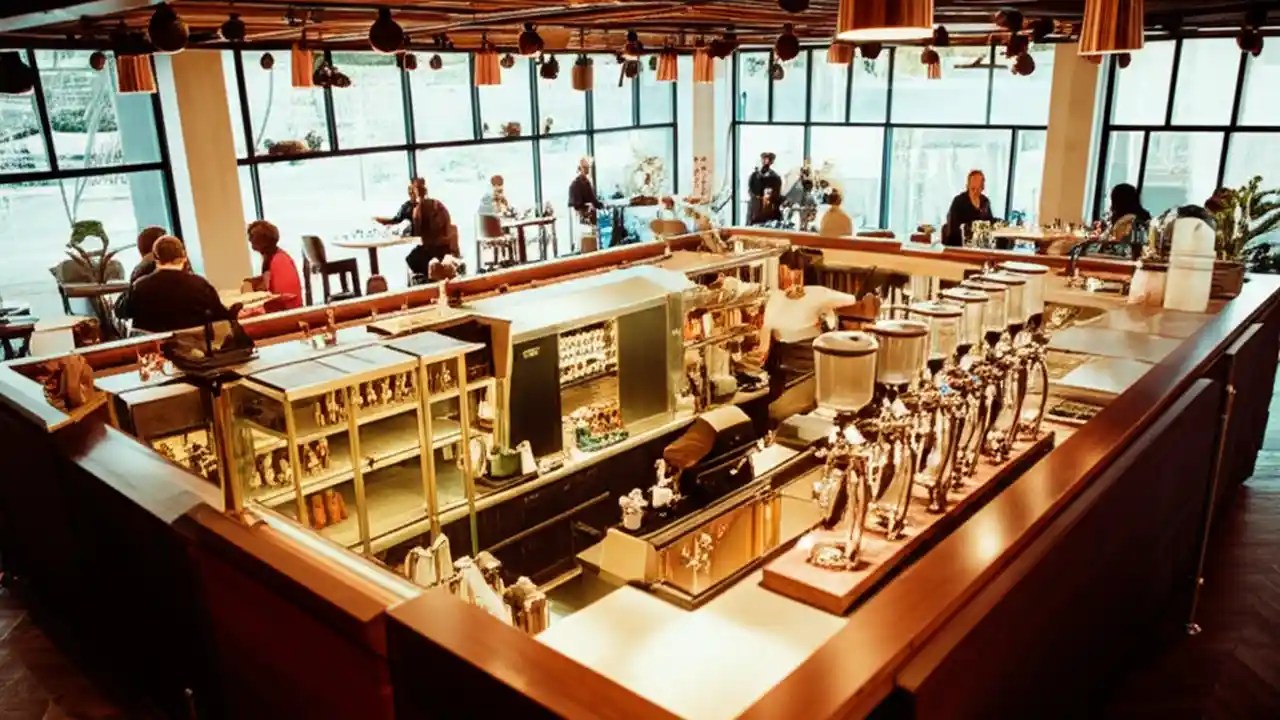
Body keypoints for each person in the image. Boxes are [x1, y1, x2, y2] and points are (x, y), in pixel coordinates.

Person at [125, 236, 230, 332]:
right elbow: (221, 315)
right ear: (184, 256)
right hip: (195, 347)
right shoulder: (199, 284)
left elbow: (121, 312)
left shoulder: (140, 287)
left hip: (154, 349)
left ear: (156, 259)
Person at [247, 220, 303, 311]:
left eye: (252, 237)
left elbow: (282, 297)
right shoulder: (271, 256)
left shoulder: (279, 260)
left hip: (287, 313)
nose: (250, 240)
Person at [405, 181, 457, 276]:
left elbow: (417, 233)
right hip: (446, 248)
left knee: (410, 259)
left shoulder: (417, 210)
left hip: (431, 250)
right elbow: (449, 225)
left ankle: (429, 279)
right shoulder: (438, 205)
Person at [943, 169, 995, 247]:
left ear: (982, 187)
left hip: (982, 245)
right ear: (968, 185)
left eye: (979, 188)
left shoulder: (985, 202)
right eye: (973, 188)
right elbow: (953, 228)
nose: (975, 192)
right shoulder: (959, 201)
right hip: (959, 245)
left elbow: (990, 223)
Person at [747, 152, 783, 225]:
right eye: (764, 158)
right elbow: (752, 192)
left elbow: (776, 195)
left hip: (770, 215)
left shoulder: (775, 177)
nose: (766, 161)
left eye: (769, 159)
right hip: (756, 213)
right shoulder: (754, 176)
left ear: (772, 162)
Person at [568, 156, 603, 225]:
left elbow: (593, 200)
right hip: (582, 218)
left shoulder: (585, 182)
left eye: (588, 168)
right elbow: (577, 205)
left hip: (585, 216)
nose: (587, 170)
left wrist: (600, 205)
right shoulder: (576, 184)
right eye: (585, 167)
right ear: (579, 169)